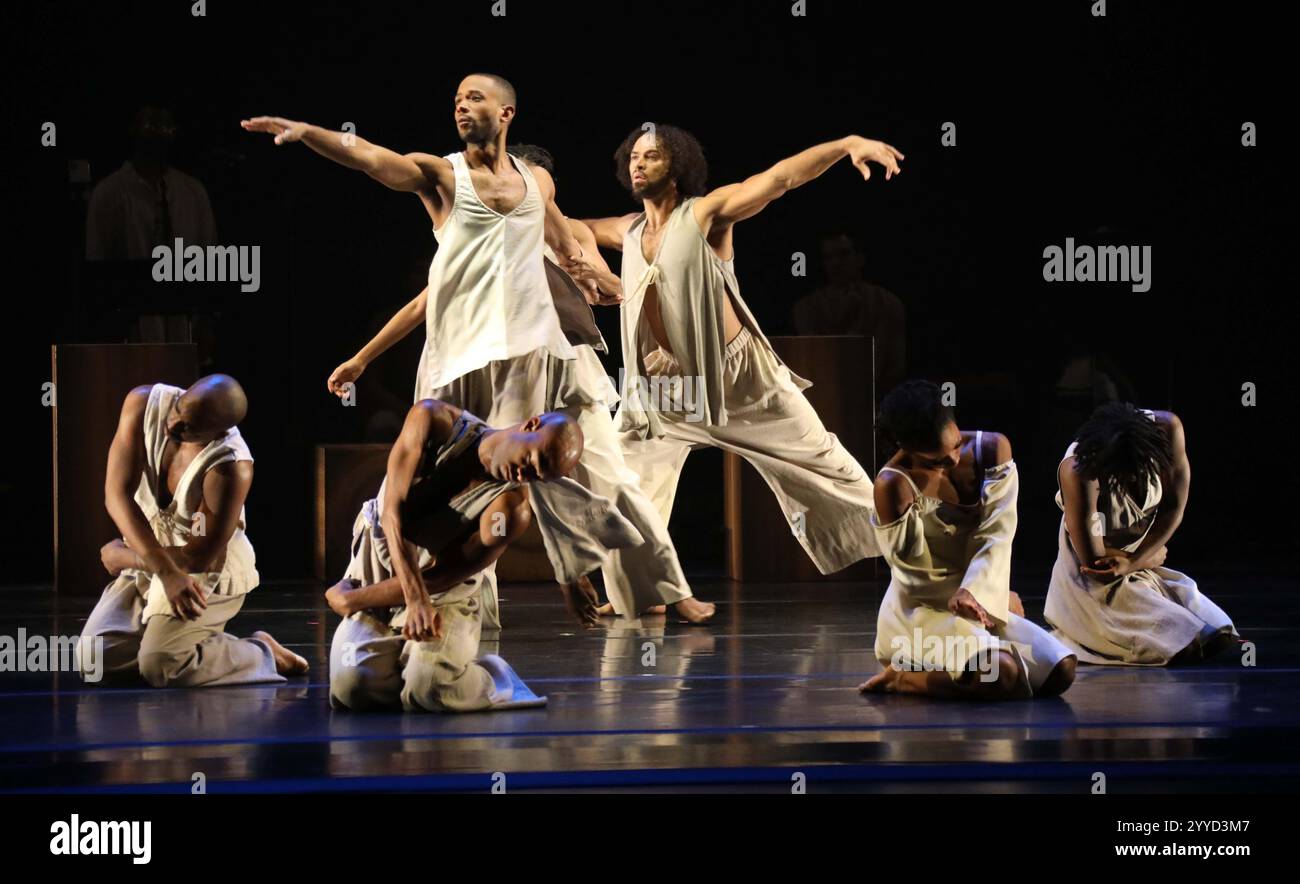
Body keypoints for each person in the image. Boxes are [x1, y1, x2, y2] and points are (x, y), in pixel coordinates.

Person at [581, 126, 903, 575]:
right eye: (633, 156)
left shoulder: (706, 215)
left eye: (650, 156)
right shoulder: (628, 230)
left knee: (829, 468)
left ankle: (920, 554)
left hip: (743, 381)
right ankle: (645, 586)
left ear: (676, 168)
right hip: (663, 392)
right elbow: (568, 229)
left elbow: (779, 179)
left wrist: (846, 145)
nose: (638, 163)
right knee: (621, 481)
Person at [324, 401, 592, 711]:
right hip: (381, 572)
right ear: (531, 425)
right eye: (531, 459)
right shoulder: (434, 421)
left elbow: (443, 576)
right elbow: (391, 513)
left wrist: (354, 601)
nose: (523, 474)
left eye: (536, 476)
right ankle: (413, 662)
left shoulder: (509, 510)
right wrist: (411, 600)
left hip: (441, 596)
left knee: (429, 690)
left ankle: (494, 679)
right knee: (351, 688)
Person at [79, 374, 306, 687]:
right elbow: (115, 493)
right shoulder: (142, 403)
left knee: (160, 666)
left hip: (200, 573)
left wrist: (127, 557)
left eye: (190, 426)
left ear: (218, 432)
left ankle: (261, 653)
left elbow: (197, 558)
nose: (172, 425)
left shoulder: (230, 467)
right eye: (178, 409)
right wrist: (156, 567)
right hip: (155, 556)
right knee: (93, 659)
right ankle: (183, 646)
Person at [861, 380, 1076, 698]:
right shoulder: (893, 486)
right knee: (1000, 674)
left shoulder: (992, 450)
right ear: (905, 447)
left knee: (1061, 670)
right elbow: (917, 579)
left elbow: (997, 535)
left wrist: (982, 593)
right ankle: (904, 678)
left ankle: (969, 652)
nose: (952, 460)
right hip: (923, 610)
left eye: (957, 444)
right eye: (936, 459)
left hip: (978, 599)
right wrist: (979, 597)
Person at [1045, 403, 1239, 665]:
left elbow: (1173, 507)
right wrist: (1152, 556)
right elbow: (1095, 561)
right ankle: (1084, 627)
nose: (1134, 480)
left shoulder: (1167, 430)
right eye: (1125, 474)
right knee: (1184, 645)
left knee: (1219, 634)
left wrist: (1134, 563)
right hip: (1094, 580)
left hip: (1132, 564)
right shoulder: (1080, 472)